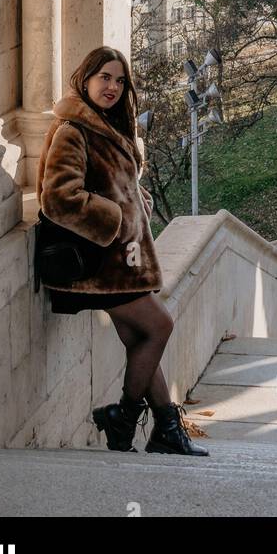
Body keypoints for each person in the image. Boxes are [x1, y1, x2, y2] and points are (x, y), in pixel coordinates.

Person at [36, 45, 209, 457]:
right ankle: (125, 417)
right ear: (85, 78)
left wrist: (135, 196)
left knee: (139, 340)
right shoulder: (73, 130)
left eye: (119, 80)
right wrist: (115, 217)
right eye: (104, 78)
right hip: (101, 265)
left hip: (121, 263)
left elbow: (107, 181)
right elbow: (58, 197)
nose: (112, 86)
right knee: (160, 326)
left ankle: (165, 427)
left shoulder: (106, 125)